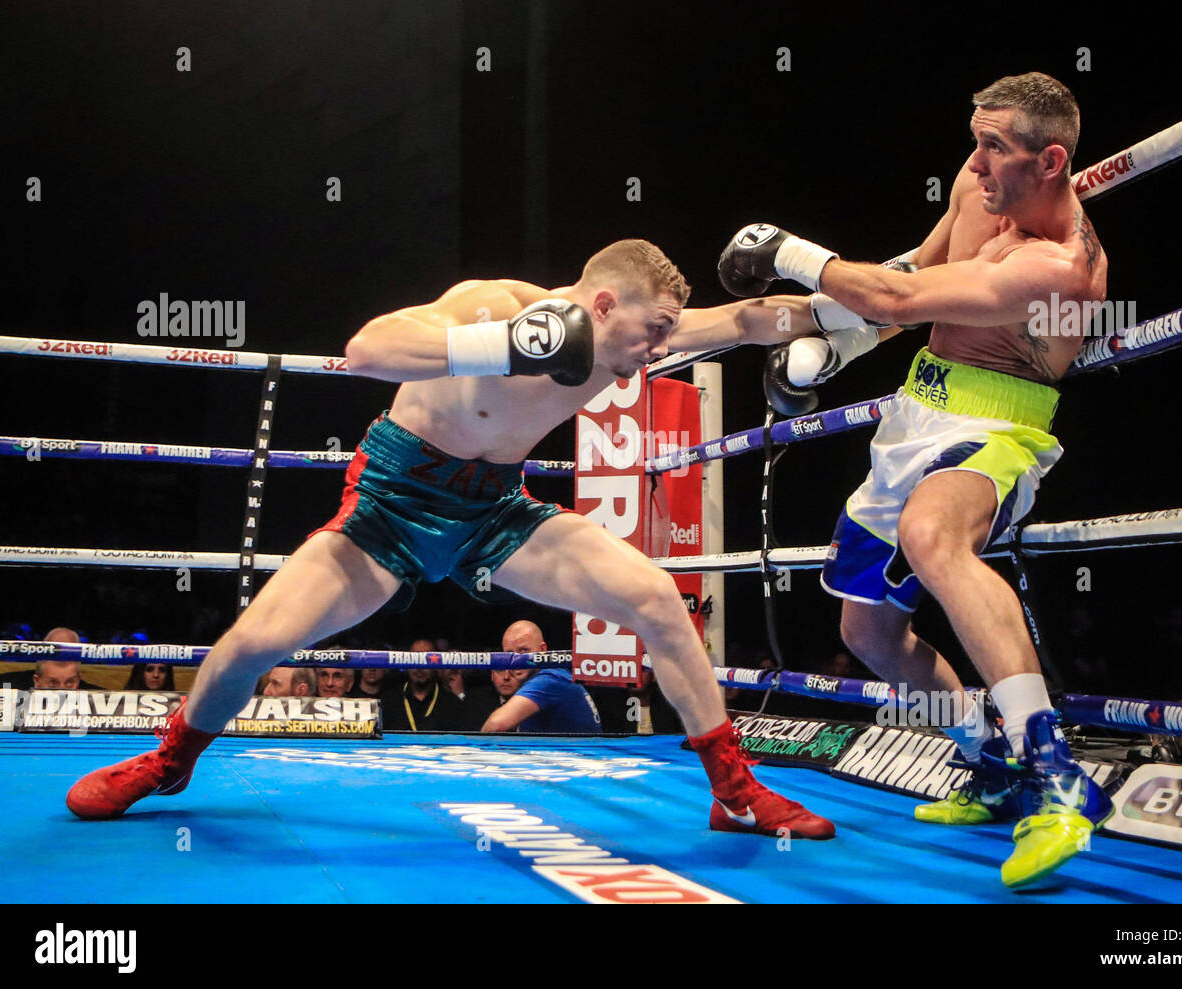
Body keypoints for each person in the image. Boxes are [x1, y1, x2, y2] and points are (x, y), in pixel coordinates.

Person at [66, 238, 835, 838]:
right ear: (602, 304)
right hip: (392, 502)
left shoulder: (628, 337)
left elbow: (744, 319)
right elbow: (366, 349)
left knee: (657, 597)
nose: (658, 349)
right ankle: (168, 764)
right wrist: (503, 343)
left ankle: (734, 793)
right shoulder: (493, 305)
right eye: (652, 330)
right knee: (253, 641)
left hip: (495, 509)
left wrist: (853, 301)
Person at [718, 73, 1111, 884]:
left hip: (998, 423)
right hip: (916, 409)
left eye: (995, 147)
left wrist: (786, 252)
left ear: (1051, 160)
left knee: (932, 538)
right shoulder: (978, 186)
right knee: (865, 634)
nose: (975, 162)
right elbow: (913, 277)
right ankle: (987, 756)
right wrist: (835, 349)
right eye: (976, 140)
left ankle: (1057, 769)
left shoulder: (1065, 267)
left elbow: (895, 295)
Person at [482, 620, 601, 733]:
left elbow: (496, 724)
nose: (517, 660)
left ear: (543, 650)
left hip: (573, 753)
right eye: (510, 654)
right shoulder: (553, 675)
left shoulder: (549, 680)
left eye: (524, 651)